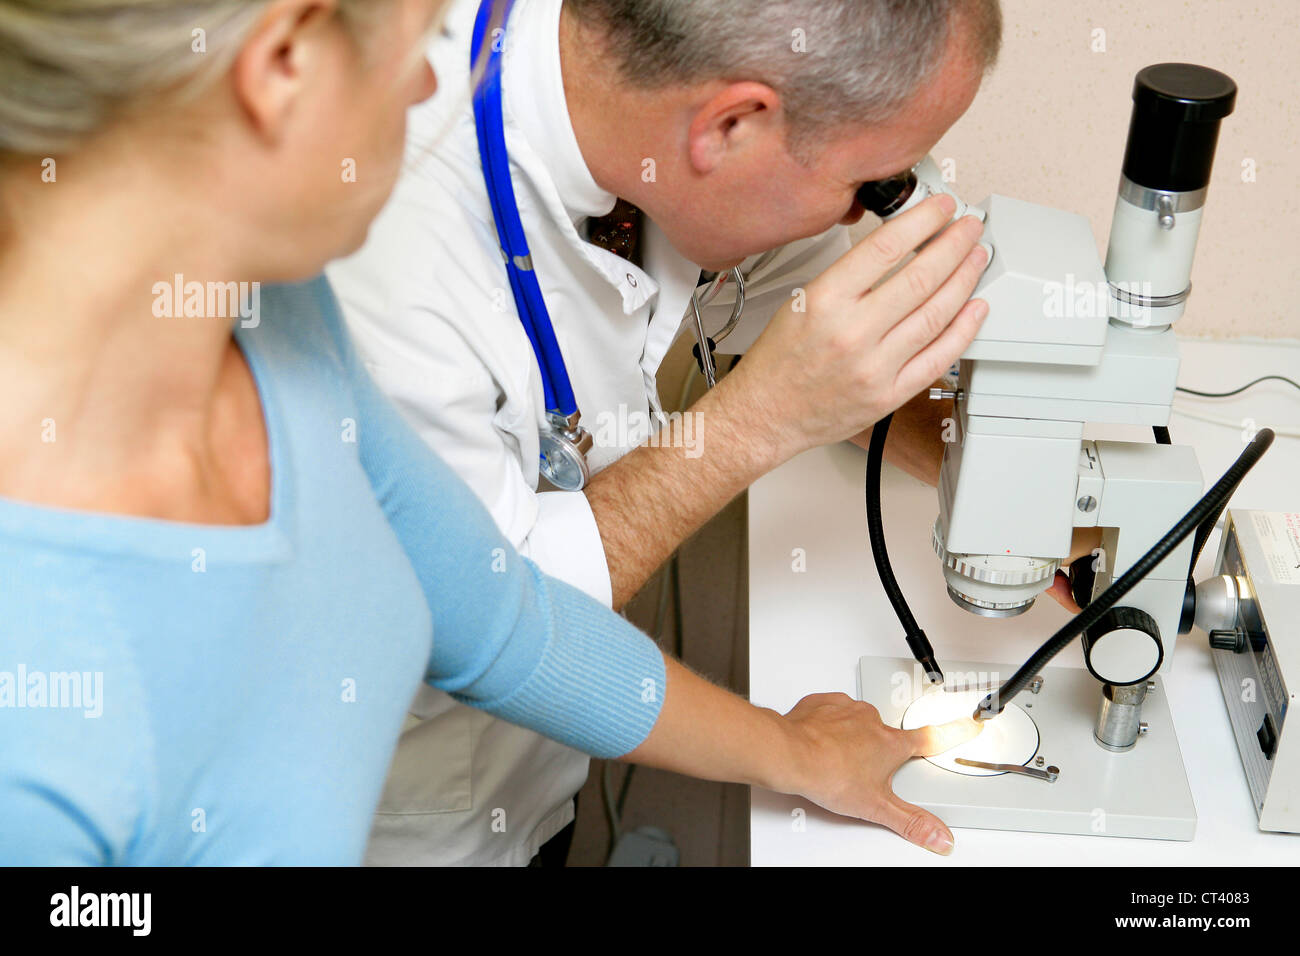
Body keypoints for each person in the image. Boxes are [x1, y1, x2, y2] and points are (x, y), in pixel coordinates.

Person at [0, 0, 977, 865]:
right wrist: (754, 423)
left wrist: (793, 750)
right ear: (284, 63)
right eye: (416, 42)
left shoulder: (281, 318)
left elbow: (505, 622)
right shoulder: (38, 697)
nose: (435, 81)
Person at [329, 0, 1026, 865]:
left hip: (549, 767)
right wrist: (757, 421)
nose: (864, 218)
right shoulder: (380, 248)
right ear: (729, 126)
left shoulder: (648, 84)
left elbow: (829, 335)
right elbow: (491, 621)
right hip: (405, 818)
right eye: (868, 188)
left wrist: (1018, 490)